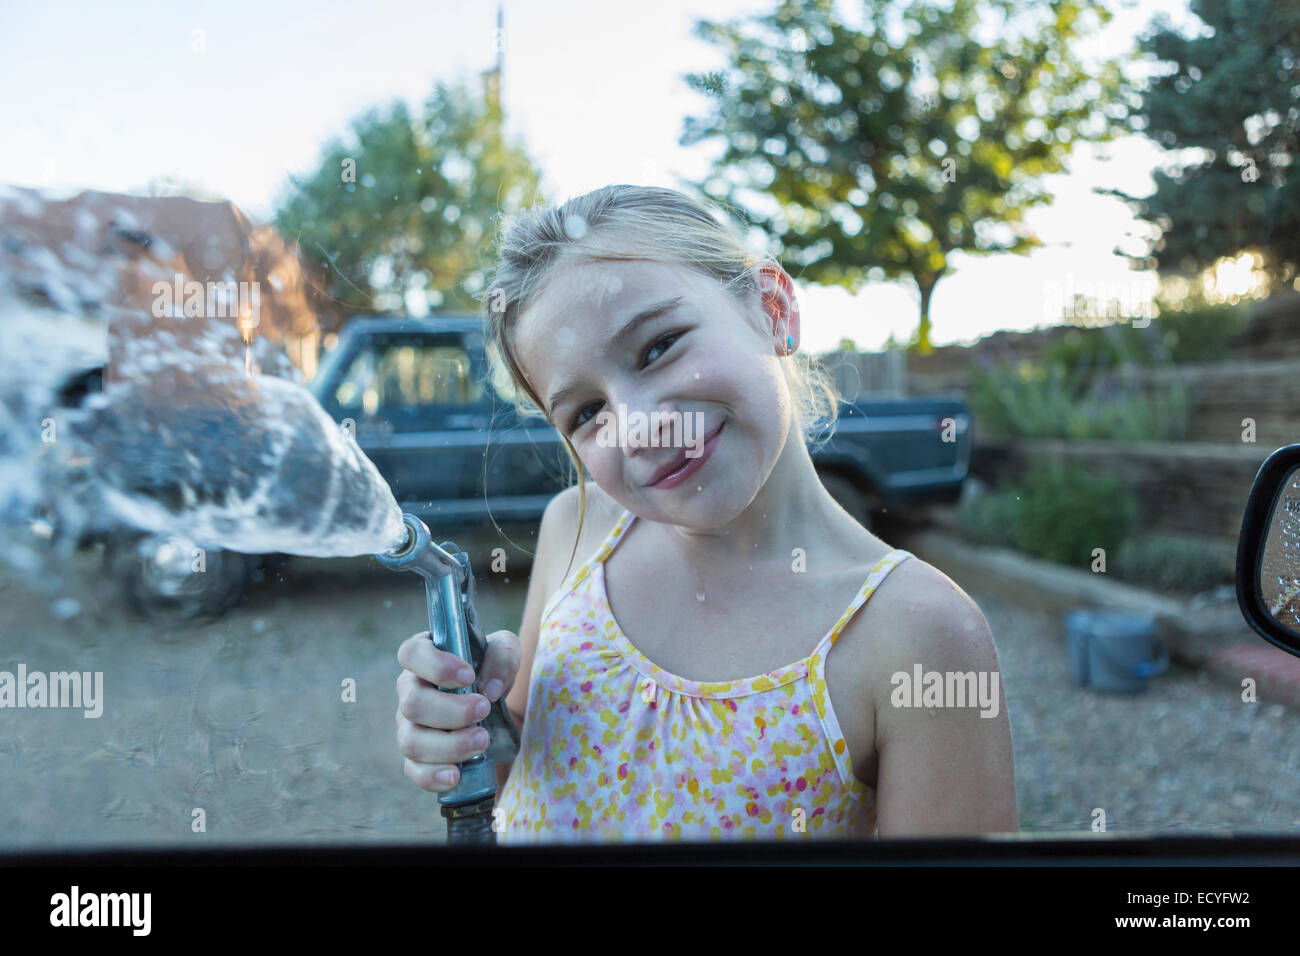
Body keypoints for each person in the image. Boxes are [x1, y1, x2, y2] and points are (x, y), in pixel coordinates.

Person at [395, 184, 1016, 842]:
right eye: (586, 413)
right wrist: (462, 732)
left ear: (773, 309)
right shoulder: (574, 528)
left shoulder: (920, 633)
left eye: (658, 347)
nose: (634, 428)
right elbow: (516, 767)